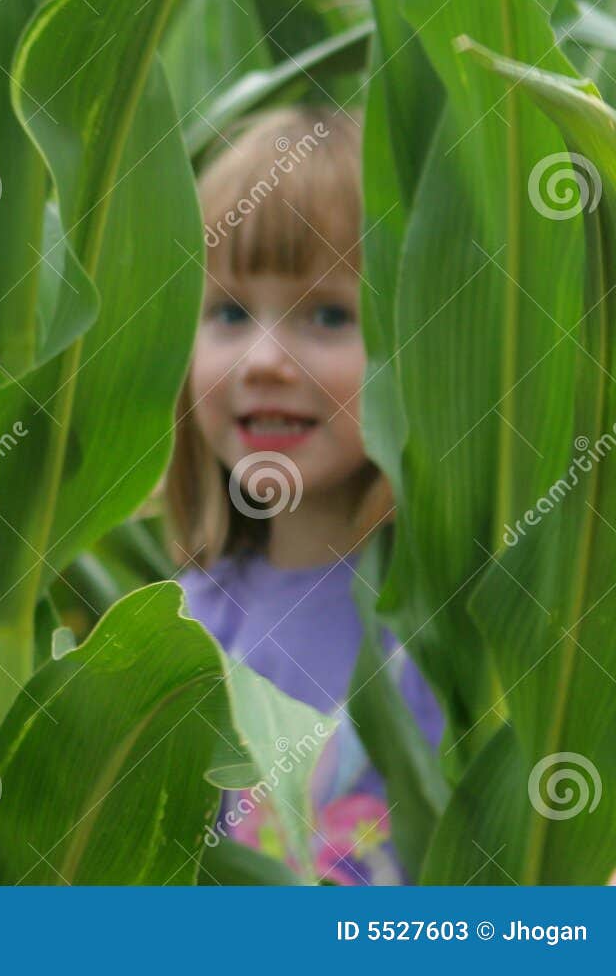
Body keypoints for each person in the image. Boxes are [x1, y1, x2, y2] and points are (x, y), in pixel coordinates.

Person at [165, 105, 442, 886]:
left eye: (327, 314)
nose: (264, 359)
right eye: (227, 312)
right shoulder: (179, 629)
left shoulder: (456, 631)